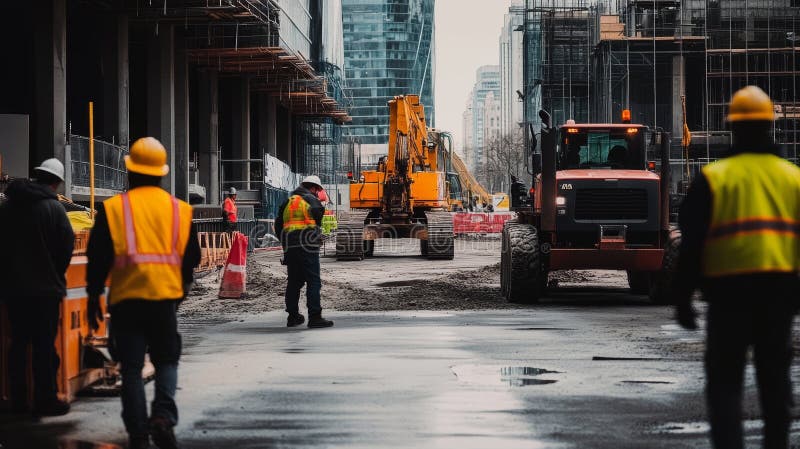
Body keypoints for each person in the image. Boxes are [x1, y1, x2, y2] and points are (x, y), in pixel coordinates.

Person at [671, 85, 800, 449]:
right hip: (779, 296)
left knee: (725, 384)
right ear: (770, 126)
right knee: (775, 382)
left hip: (728, 298)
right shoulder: (793, 179)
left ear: (734, 128)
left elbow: (692, 244)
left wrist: (683, 298)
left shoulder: (714, 178)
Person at [86, 137, 200, 449]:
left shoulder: (113, 209)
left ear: (130, 172)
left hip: (126, 300)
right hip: (164, 300)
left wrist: (93, 296)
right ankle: (162, 417)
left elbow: (98, 258)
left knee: (132, 368)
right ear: (161, 173)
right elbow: (192, 259)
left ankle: (137, 432)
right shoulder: (180, 210)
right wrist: (180, 292)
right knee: (166, 361)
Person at [0, 158, 74, 417]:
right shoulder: (55, 210)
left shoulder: (7, 208)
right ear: (55, 182)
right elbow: (66, 249)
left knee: (17, 344)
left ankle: (17, 401)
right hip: (45, 291)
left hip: (14, 290)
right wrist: (53, 273)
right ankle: (46, 399)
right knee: (44, 346)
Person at [274, 175, 334, 329]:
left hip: (291, 248)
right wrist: (315, 231)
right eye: (317, 190)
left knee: (294, 281)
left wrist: (286, 242)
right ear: (313, 188)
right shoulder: (309, 199)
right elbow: (318, 210)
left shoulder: (289, 201)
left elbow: (278, 224)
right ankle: (315, 317)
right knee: (313, 281)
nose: (317, 193)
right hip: (307, 245)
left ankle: (293, 316)